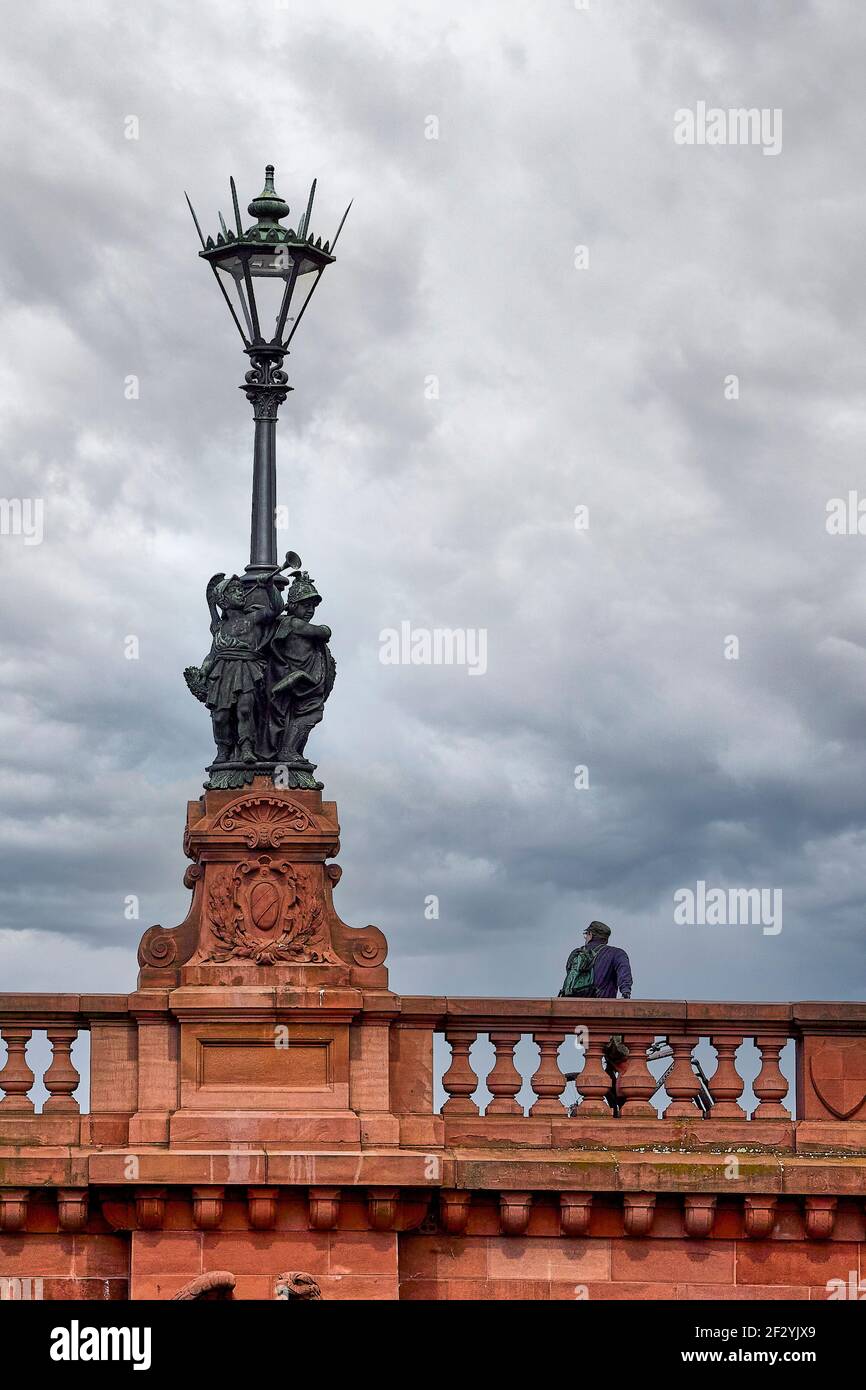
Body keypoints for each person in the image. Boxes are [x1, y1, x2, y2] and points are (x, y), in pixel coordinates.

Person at [558, 921, 632, 1000]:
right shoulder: (616, 953)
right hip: (601, 1008)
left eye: (586, 934)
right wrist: (625, 993)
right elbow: (624, 973)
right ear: (606, 939)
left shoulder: (576, 953)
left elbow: (569, 974)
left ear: (590, 935)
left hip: (570, 1007)